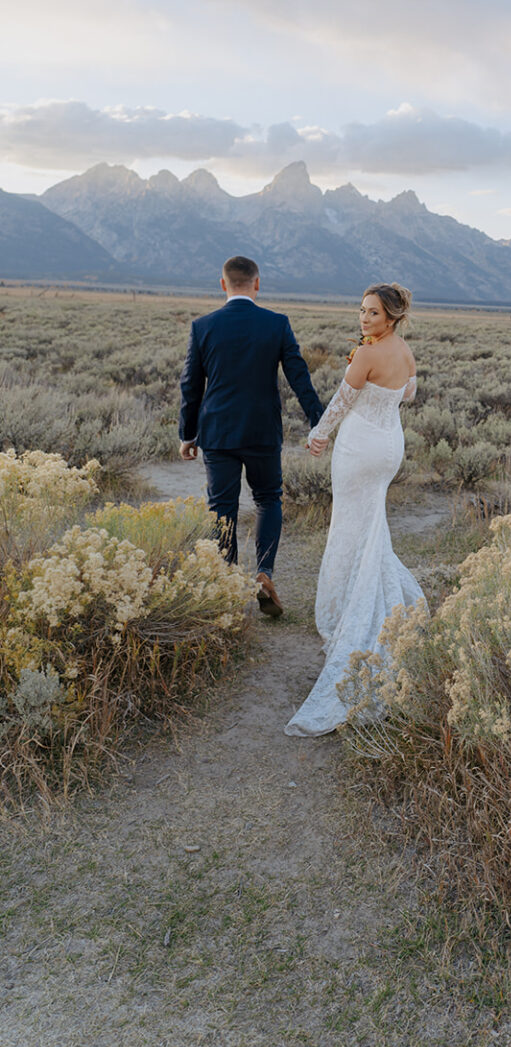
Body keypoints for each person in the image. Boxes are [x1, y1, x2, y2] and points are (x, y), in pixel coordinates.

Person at [285, 283, 423, 737]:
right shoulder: (403, 351)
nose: (364, 319)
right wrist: (379, 390)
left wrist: (318, 436)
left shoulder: (367, 355)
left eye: (372, 314)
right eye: (361, 312)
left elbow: (341, 403)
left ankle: (348, 619)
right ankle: (379, 606)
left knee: (349, 529)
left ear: (391, 317)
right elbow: (409, 396)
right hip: (390, 446)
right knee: (370, 527)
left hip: (361, 446)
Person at [179, 255, 325, 617]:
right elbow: (299, 377)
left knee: (222, 508)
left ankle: (227, 584)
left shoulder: (203, 326)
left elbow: (190, 385)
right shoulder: (277, 324)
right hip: (262, 430)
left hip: (217, 432)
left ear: (223, 284)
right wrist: (318, 422)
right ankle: (264, 572)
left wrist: (187, 434)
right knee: (268, 499)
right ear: (257, 284)